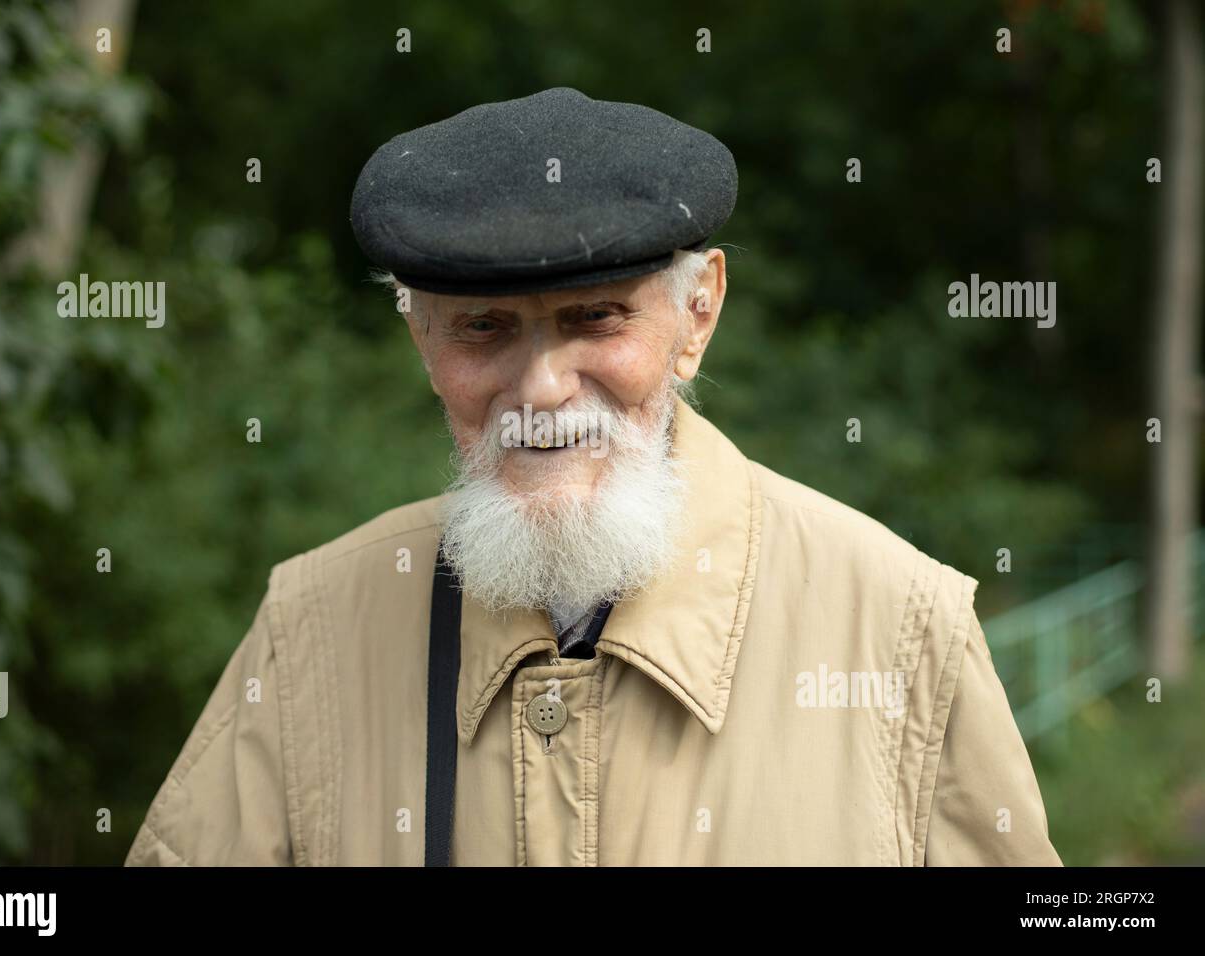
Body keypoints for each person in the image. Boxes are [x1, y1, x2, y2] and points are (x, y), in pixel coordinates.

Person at [125, 87, 1061, 866]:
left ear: (698, 317)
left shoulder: (902, 628)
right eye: (483, 328)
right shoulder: (311, 627)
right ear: (419, 335)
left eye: (596, 320)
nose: (541, 386)